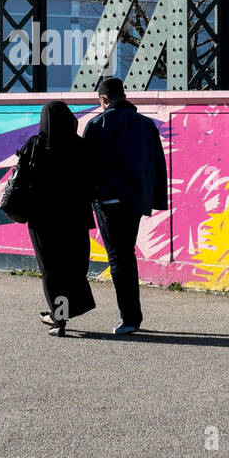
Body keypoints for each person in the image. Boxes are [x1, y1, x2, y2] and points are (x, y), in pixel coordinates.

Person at [82, 77, 168, 335]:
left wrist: (87, 197)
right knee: (126, 254)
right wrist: (152, 198)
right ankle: (132, 315)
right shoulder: (146, 125)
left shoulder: (97, 124)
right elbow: (157, 164)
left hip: (108, 201)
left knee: (119, 257)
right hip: (136, 201)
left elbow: (88, 166)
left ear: (103, 99)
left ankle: (130, 318)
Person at [17, 101, 97, 336]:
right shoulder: (81, 147)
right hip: (75, 217)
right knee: (72, 267)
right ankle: (64, 312)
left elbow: (20, 177)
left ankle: (59, 319)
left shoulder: (36, 145)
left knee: (52, 270)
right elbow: (92, 180)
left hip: (43, 219)